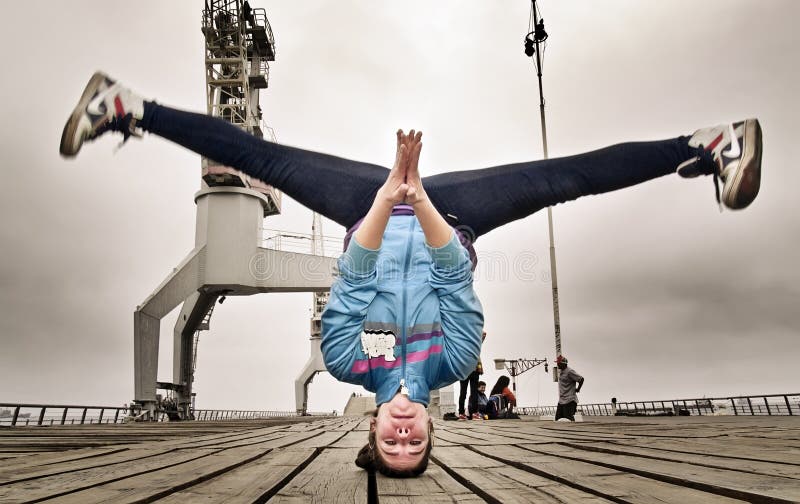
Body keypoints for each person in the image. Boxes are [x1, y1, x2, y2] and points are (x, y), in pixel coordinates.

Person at [59, 72, 763, 477]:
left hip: (367, 208)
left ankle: (125, 106)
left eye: (390, 443)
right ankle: (708, 144)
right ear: (428, 426)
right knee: (562, 178)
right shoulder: (454, 363)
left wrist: (386, 194)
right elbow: (454, 277)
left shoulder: (346, 362)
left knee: (260, 160)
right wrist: (419, 196)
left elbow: (354, 274)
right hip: (449, 214)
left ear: (372, 432)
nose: (402, 433)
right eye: (414, 442)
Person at [458, 330, 486, 419]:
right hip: (474, 368)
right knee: (474, 392)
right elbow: (483, 333)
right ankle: (474, 413)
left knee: (463, 392)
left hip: (463, 369)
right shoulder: (475, 342)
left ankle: (461, 413)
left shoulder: (460, 342)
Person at [555, 355, 584, 421]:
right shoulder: (561, 371)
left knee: (568, 420)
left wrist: (578, 389)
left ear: (563, 363)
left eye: (559, 363)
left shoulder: (570, 371)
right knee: (558, 419)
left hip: (569, 400)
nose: (557, 365)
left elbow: (581, 379)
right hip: (561, 400)